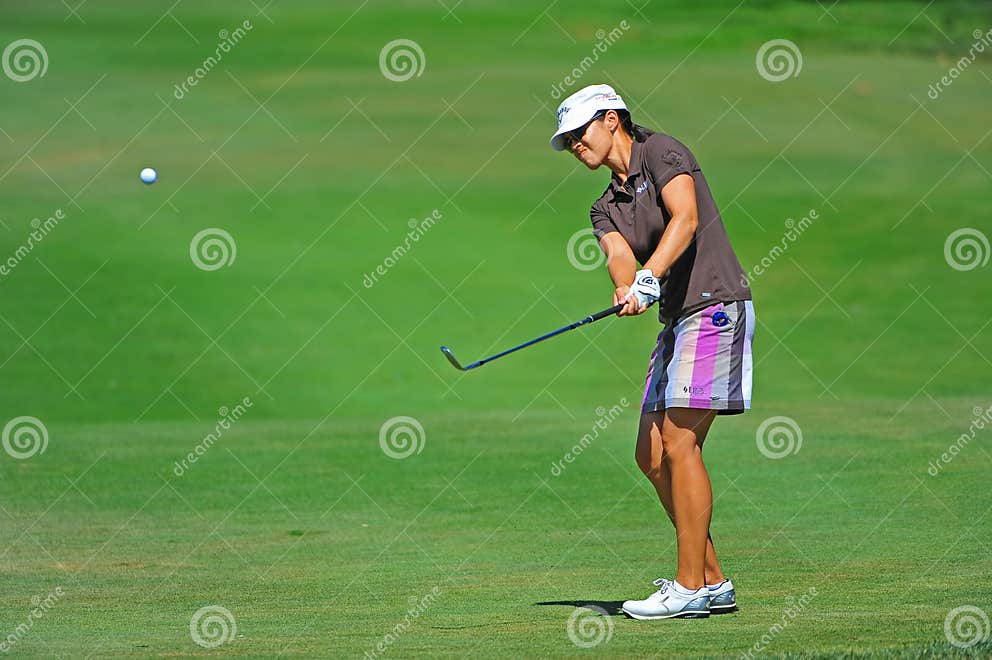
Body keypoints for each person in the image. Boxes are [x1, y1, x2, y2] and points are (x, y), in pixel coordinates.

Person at [550, 84, 755, 620]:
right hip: (675, 319)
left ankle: (687, 588)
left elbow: (684, 218)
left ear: (612, 120)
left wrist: (650, 275)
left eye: (579, 132)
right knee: (651, 454)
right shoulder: (603, 206)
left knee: (680, 440)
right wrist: (627, 287)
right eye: (567, 139)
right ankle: (712, 581)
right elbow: (618, 254)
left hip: (714, 305)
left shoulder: (662, 151)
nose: (574, 145)